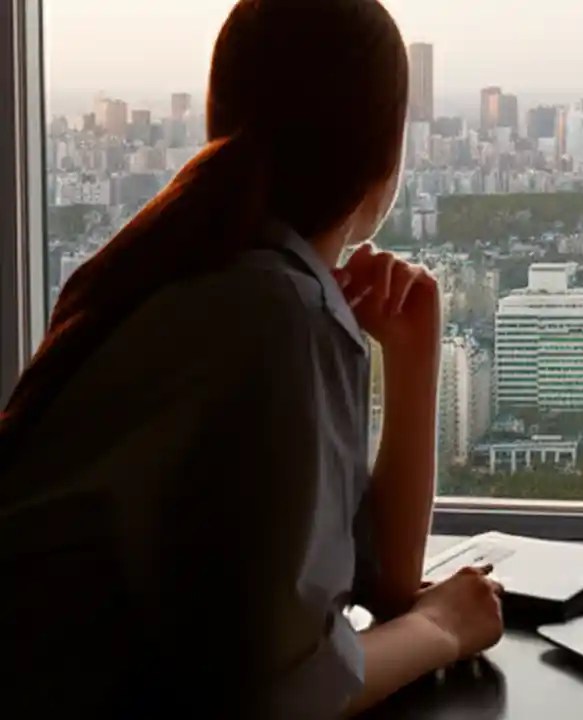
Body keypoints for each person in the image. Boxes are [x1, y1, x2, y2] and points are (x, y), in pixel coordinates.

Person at [0, 1, 503, 716]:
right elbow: (284, 695)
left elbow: (384, 580)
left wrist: (414, 355)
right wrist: (441, 628)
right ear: (385, 154)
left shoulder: (182, 269)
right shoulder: (279, 312)